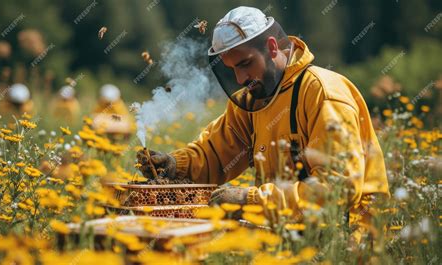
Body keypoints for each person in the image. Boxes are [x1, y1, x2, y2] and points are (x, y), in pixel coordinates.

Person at [136, 6, 389, 243]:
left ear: (271, 47)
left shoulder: (322, 93)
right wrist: (175, 164)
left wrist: (250, 199)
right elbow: (216, 154)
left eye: (245, 64)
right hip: (286, 233)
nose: (240, 78)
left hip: (348, 241)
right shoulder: (252, 99)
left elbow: (336, 191)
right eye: (232, 69)